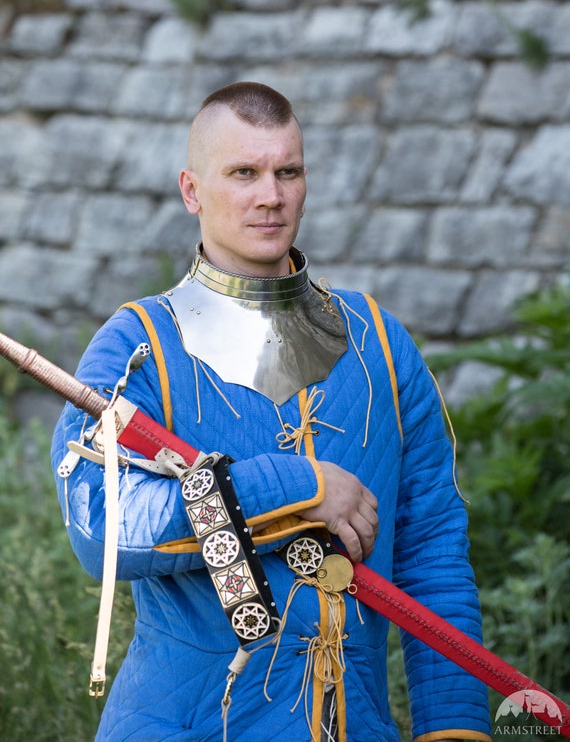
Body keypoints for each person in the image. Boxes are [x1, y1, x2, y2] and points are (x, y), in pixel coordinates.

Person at [51, 81, 492, 742]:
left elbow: (432, 549)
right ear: (192, 190)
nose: (272, 196)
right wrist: (293, 487)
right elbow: (99, 524)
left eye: (288, 171)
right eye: (244, 173)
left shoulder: (380, 344)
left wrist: (455, 727)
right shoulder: (139, 346)